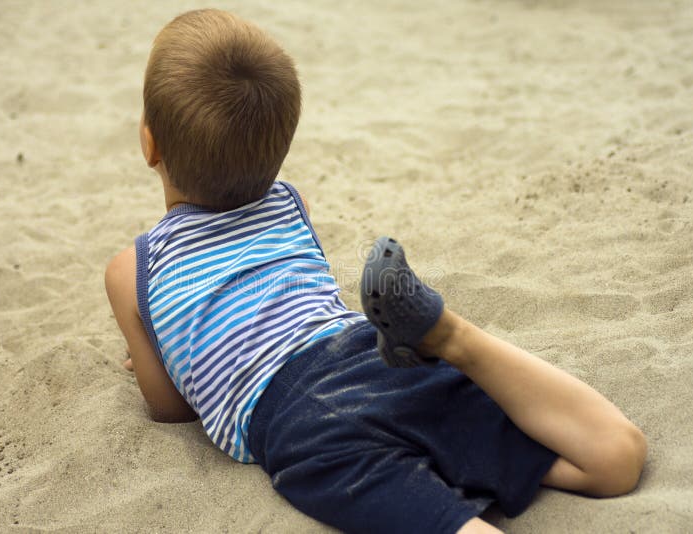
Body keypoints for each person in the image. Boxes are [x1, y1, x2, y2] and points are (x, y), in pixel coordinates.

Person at [104, 9, 646, 533]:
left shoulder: (133, 271)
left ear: (148, 142)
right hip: (372, 355)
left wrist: (156, 349)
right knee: (614, 460)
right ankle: (448, 335)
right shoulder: (293, 204)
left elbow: (172, 408)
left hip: (300, 420)